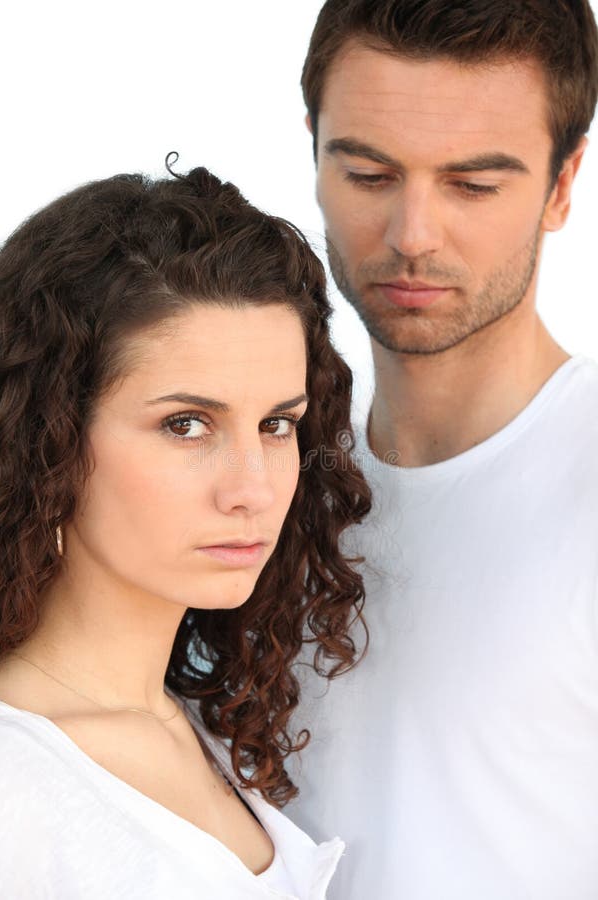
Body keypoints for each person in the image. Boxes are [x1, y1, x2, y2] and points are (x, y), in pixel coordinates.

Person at [286, 2, 598, 898]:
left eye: (473, 184)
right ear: (315, 154)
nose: (412, 234)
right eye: (370, 173)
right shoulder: (261, 489)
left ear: (563, 184)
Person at [0, 161, 371, 899]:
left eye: (276, 425)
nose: (252, 490)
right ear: (48, 437)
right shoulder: (15, 789)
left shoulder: (207, 730)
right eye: (186, 424)